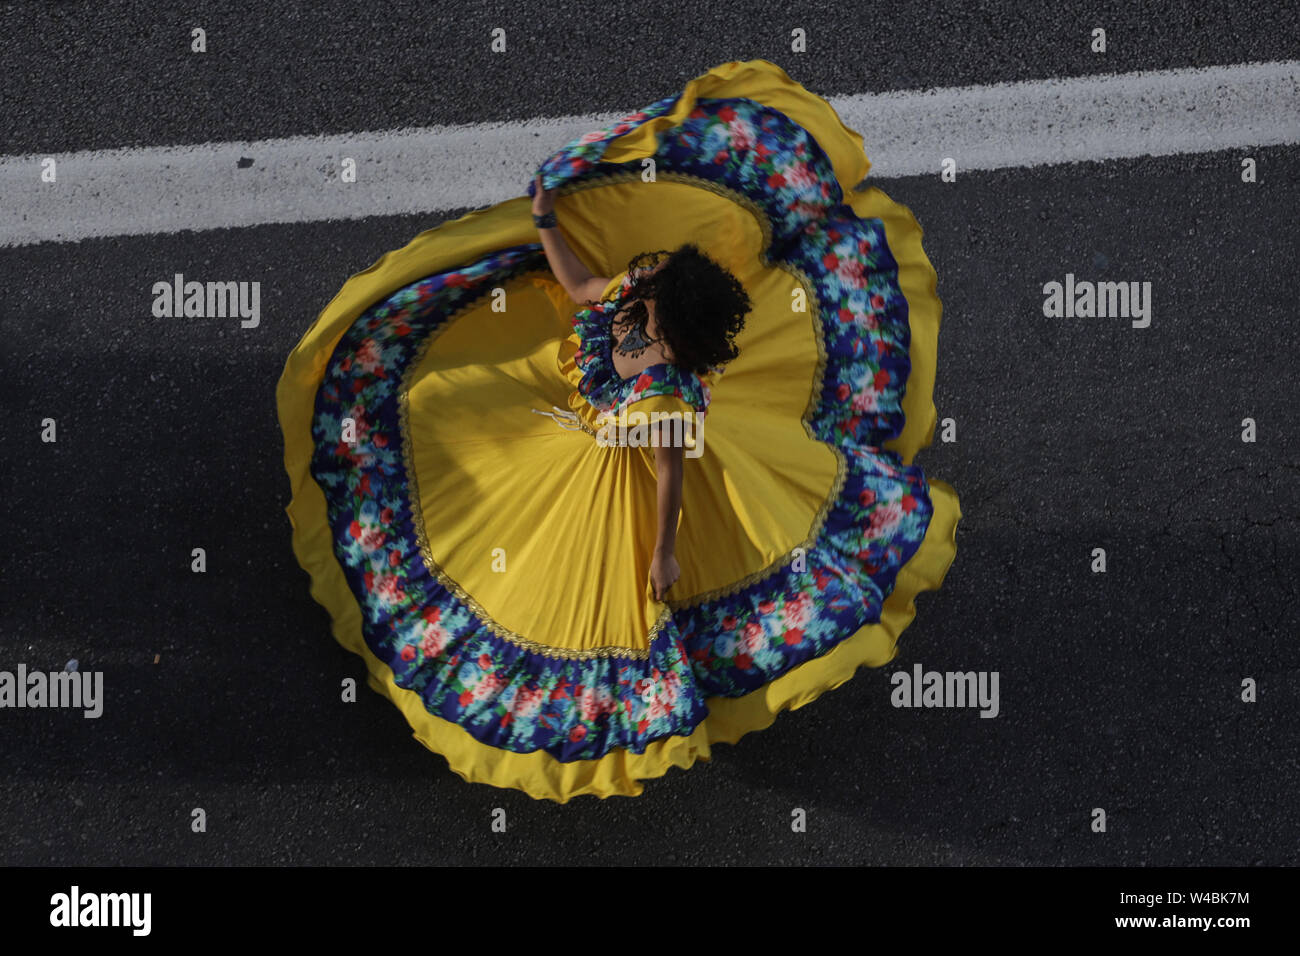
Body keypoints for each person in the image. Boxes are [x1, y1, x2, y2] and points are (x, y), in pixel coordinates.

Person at [277, 59, 962, 802]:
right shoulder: (640, 290)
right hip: (577, 422)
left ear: (682, 346)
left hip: (614, 473)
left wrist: (664, 555)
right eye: (651, 316)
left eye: (659, 331)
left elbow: (667, 478)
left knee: (568, 577)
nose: (643, 329)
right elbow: (577, 289)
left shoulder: (666, 402)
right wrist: (544, 220)